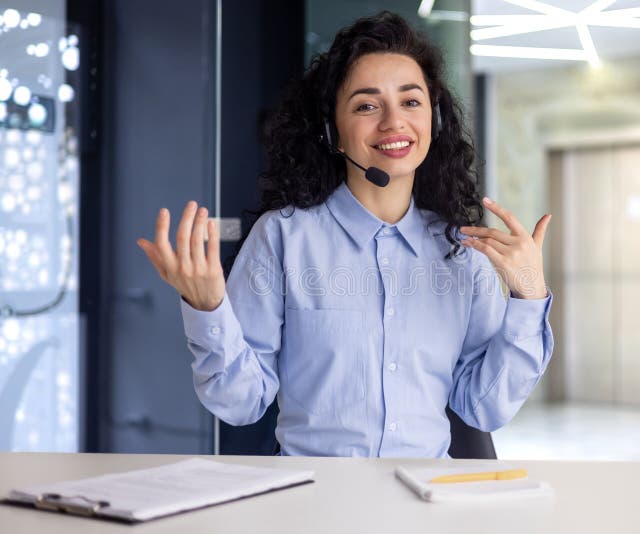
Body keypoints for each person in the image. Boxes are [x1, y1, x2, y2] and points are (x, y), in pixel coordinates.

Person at [136, 11, 554, 458]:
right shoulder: (283, 240)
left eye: (411, 102)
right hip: (312, 501)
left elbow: (483, 409)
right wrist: (208, 308)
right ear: (333, 132)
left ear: (433, 120)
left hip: (424, 503)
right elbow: (240, 404)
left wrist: (528, 296)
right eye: (367, 105)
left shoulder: (462, 252)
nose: (394, 122)